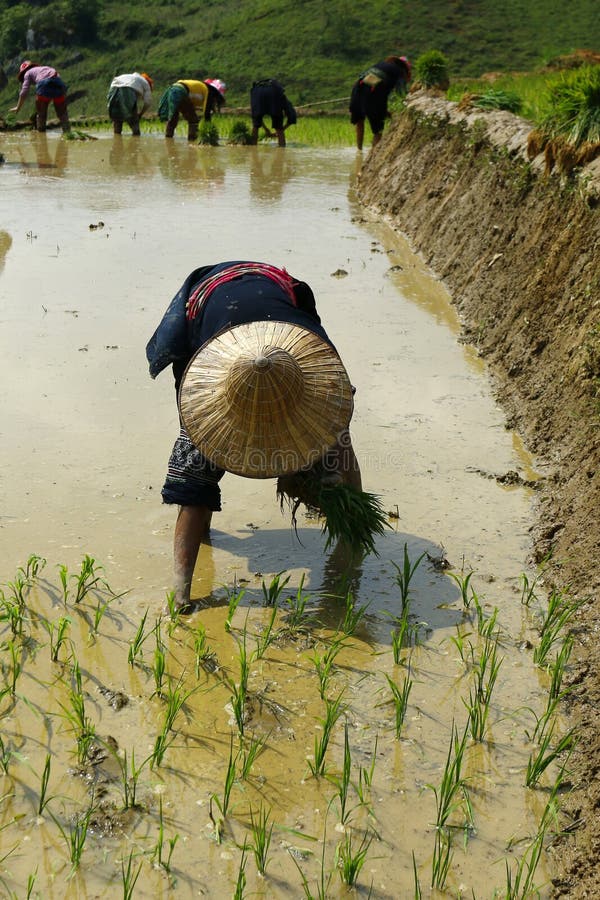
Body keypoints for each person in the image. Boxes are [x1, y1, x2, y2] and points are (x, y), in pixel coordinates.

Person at [146, 261, 362, 610]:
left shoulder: (323, 382)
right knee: (196, 481)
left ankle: (348, 533)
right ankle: (197, 552)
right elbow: (190, 495)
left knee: (334, 442)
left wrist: (352, 520)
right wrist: (181, 594)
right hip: (212, 302)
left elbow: (341, 440)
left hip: (280, 318)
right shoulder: (207, 405)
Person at [349, 55, 411, 150]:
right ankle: (373, 157)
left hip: (358, 89)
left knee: (359, 121)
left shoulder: (382, 65)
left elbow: (371, 85)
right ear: (405, 68)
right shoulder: (399, 71)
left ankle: (359, 152)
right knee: (378, 130)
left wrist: (385, 112)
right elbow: (401, 93)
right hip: (372, 94)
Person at [9, 60, 70, 132]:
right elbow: (59, 81)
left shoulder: (27, 73)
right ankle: (67, 132)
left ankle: (41, 135)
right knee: (62, 113)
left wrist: (18, 107)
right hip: (58, 83)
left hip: (44, 84)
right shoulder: (45, 68)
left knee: (41, 114)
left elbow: (24, 91)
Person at [158, 77, 226, 141]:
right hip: (181, 91)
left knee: (173, 118)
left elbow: (190, 106)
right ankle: (192, 140)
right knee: (193, 120)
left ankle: (168, 140)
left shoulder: (200, 87)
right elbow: (206, 114)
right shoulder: (208, 91)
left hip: (173, 90)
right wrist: (208, 129)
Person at [250, 79, 297, 146]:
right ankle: (281, 151)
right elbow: (292, 117)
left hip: (257, 93)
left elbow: (257, 117)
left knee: (255, 126)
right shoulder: (283, 98)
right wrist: (281, 130)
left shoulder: (257, 89)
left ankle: (253, 150)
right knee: (279, 128)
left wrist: (266, 130)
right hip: (274, 94)